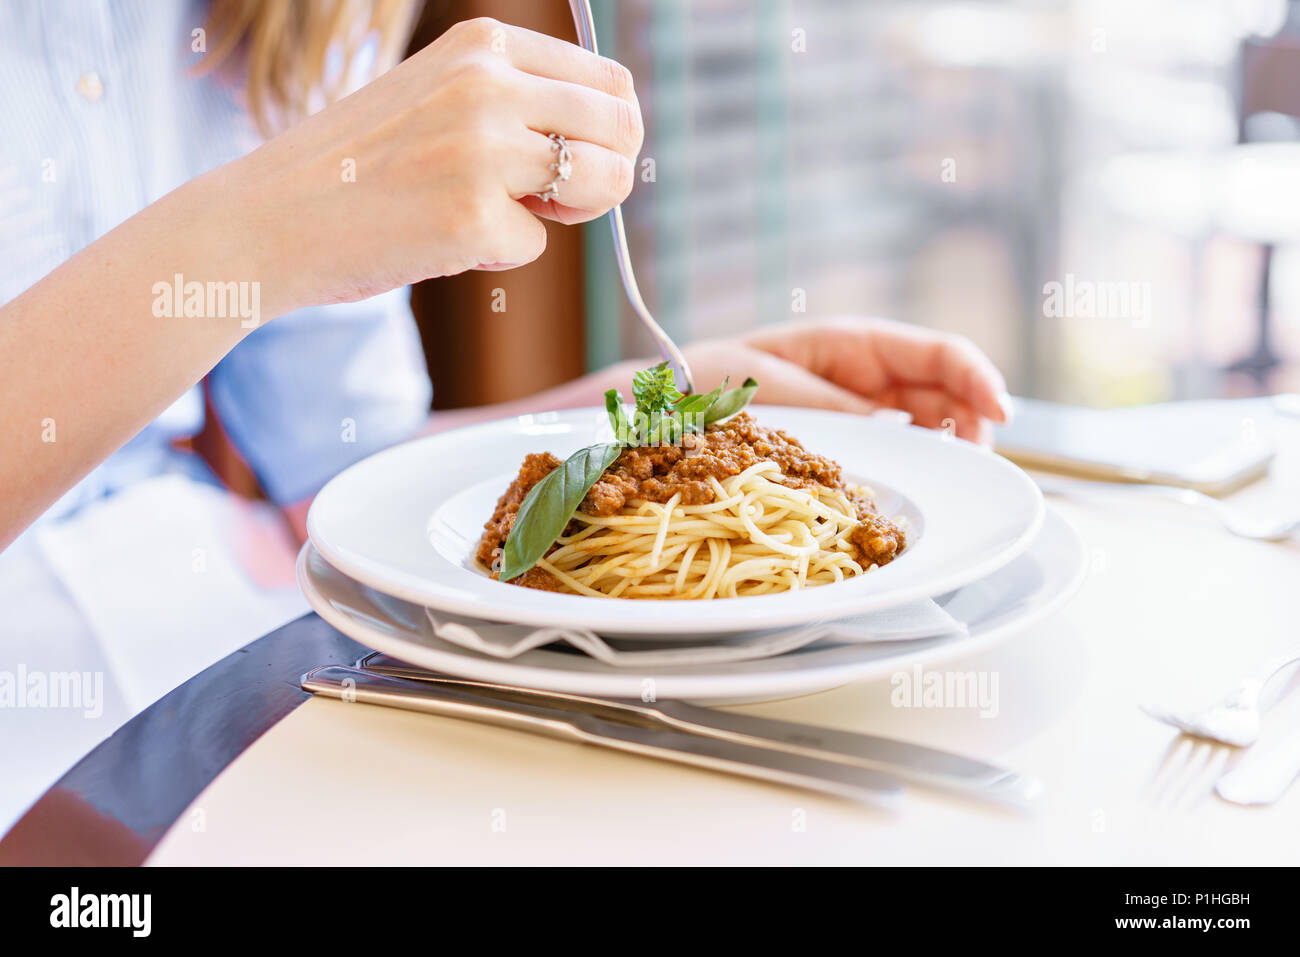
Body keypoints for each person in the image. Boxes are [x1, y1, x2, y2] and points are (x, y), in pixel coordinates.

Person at [0, 2, 1008, 825]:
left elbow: (342, 479)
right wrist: (254, 233)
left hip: (227, 664)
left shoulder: (302, 16)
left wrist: (651, 413)